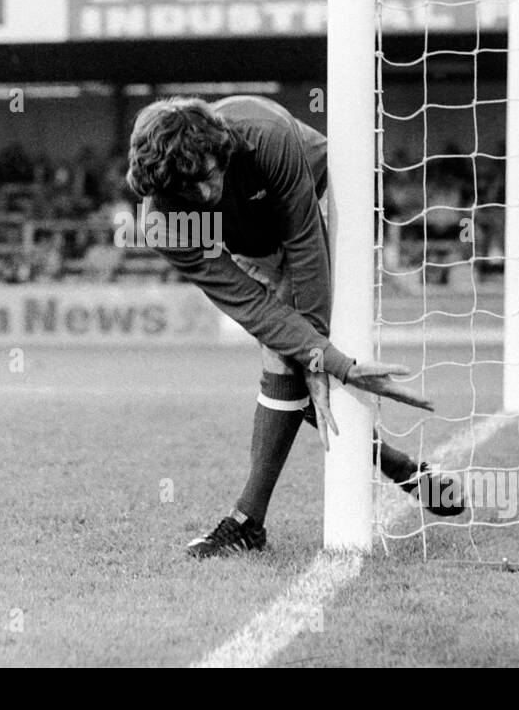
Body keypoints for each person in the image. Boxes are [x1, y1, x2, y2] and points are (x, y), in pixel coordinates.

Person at [125, 95, 465, 559]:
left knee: (294, 356)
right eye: (189, 189)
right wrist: (325, 359)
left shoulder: (264, 134)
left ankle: (248, 522)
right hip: (252, 240)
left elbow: (304, 246)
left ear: (221, 146)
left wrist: (323, 358)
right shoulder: (165, 222)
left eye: (209, 175)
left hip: (322, 198)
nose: (205, 194)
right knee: (287, 351)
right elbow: (250, 305)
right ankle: (400, 467)